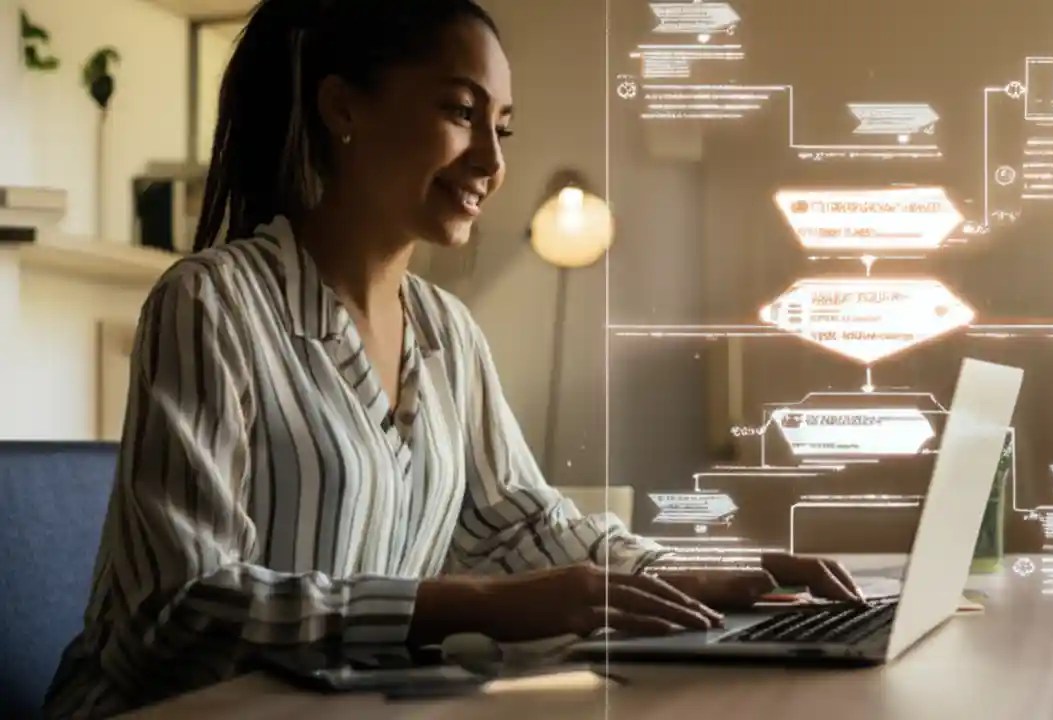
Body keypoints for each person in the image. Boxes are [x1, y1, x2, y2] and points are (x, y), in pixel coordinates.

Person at [45, 0, 863, 715]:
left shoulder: (446, 333)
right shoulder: (211, 304)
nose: (492, 162)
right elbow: (187, 613)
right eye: (461, 112)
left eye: (502, 127)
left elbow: (527, 527)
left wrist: (702, 575)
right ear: (342, 108)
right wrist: (482, 605)